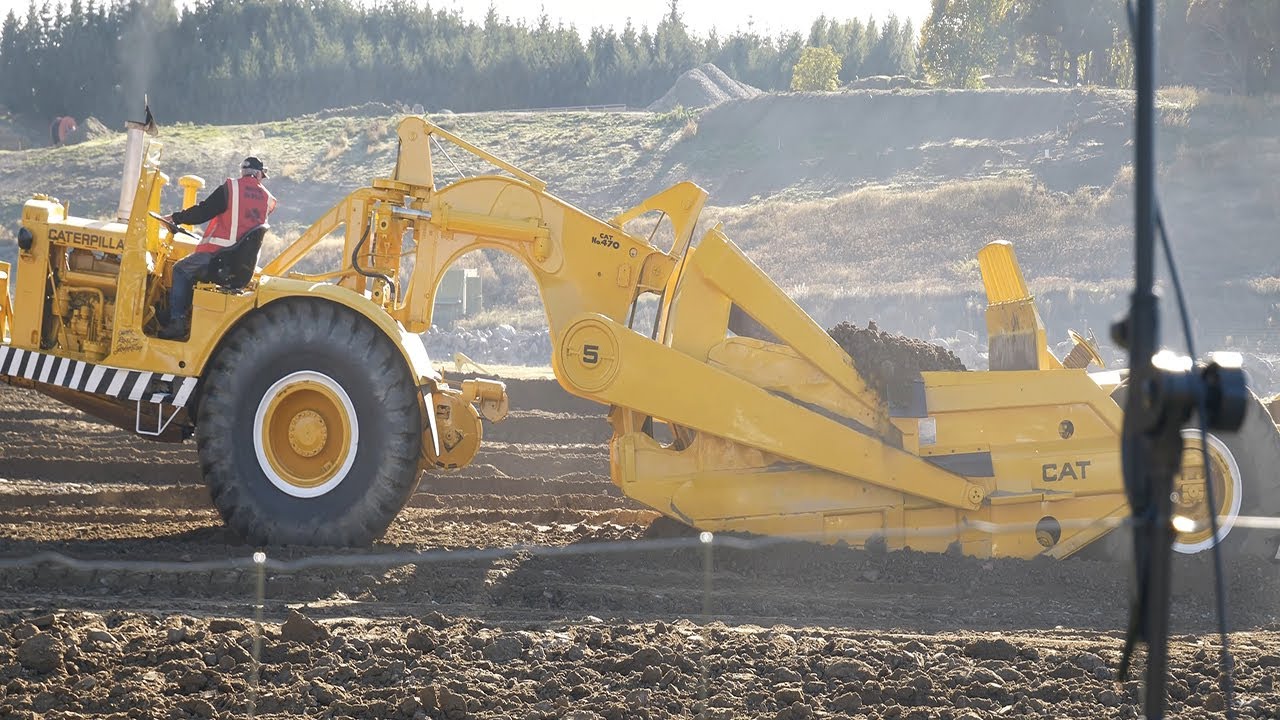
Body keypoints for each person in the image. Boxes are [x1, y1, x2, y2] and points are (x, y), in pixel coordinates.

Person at [158, 156, 276, 339]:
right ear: (259, 174)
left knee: (180, 270)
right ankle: (174, 311)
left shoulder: (231, 188)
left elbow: (203, 212)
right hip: (243, 265)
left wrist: (175, 218)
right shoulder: (268, 199)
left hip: (219, 256)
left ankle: (177, 321)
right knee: (193, 274)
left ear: (243, 172)